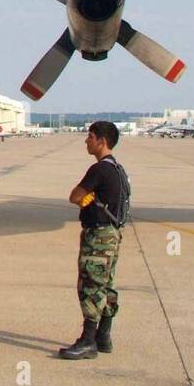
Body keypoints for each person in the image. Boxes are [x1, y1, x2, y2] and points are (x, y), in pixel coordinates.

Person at [59, 120, 127, 359]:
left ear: (102, 141)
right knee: (107, 284)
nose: (86, 141)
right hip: (112, 235)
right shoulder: (118, 169)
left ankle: (88, 340)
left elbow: (75, 196)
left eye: (90, 136)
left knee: (90, 286)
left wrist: (86, 199)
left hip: (98, 236)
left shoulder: (99, 170)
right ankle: (103, 336)